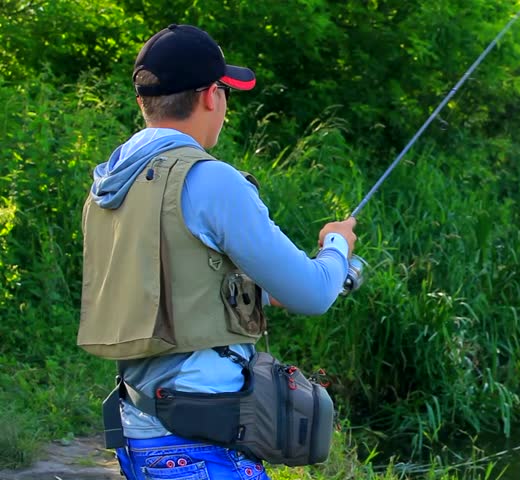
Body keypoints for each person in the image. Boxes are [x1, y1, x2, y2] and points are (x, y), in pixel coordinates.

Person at [77, 24, 356, 480]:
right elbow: (315, 293)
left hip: (139, 434)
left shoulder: (108, 187)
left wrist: (259, 294)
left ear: (143, 101)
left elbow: (167, 292)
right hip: (201, 444)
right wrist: (337, 246)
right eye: (225, 93)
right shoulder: (209, 179)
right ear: (211, 96)